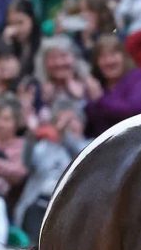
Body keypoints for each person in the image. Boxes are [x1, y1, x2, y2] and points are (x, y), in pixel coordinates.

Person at [14, 97, 87, 239]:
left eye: (72, 120)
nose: (66, 126)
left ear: (82, 123)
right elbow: (27, 162)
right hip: (38, 207)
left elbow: (82, 158)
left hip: (70, 210)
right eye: (61, 121)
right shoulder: (43, 147)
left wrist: (65, 137)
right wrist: (31, 135)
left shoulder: (90, 145)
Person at [84, 36, 141, 137]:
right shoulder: (99, 85)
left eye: (113, 54)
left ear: (124, 57)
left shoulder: (140, 78)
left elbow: (135, 111)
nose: (109, 61)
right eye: (103, 57)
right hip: (107, 146)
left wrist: (100, 100)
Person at [53, 0, 118, 59]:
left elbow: (100, 61)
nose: (83, 15)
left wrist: (88, 40)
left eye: (88, 10)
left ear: (99, 12)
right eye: (80, 11)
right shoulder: (78, 34)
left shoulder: (112, 32)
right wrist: (59, 35)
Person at [1, 0, 41, 77]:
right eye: (11, 24)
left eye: (20, 22)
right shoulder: (10, 44)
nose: (16, 29)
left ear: (31, 19)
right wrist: (5, 43)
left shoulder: (42, 44)